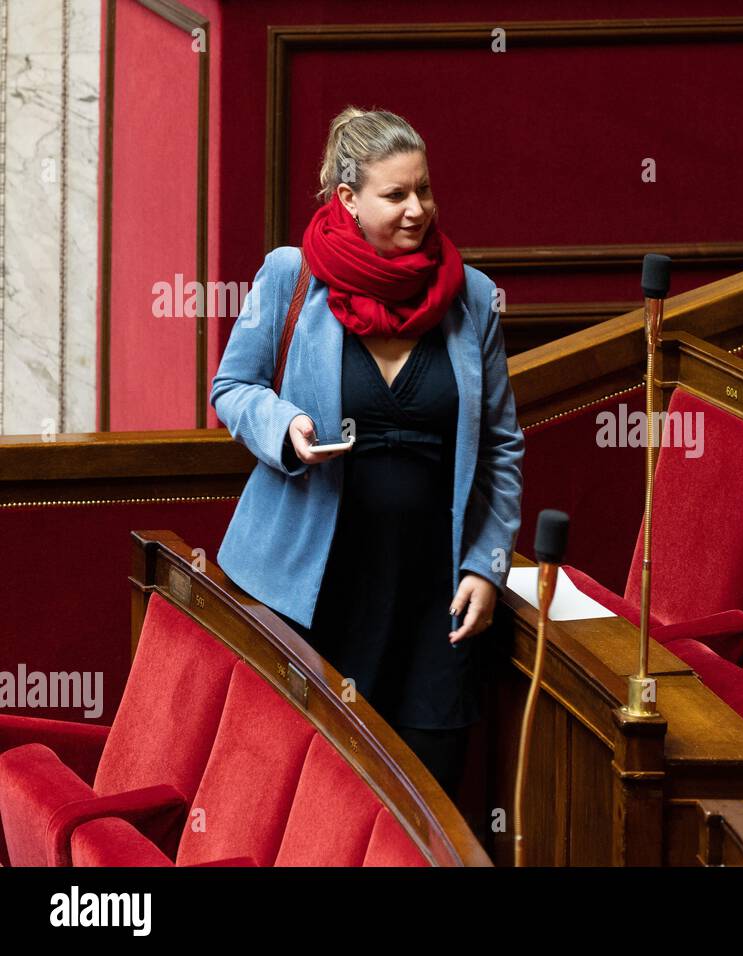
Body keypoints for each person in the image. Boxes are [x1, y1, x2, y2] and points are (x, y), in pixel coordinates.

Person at [210, 107, 524, 796]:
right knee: (313, 802)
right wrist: (284, 426)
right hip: (313, 591)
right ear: (348, 201)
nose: (418, 209)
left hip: (434, 603)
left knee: (426, 806)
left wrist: (486, 564)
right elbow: (231, 388)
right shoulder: (290, 276)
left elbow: (502, 446)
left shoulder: (469, 296)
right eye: (396, 195)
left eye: (425, 190)